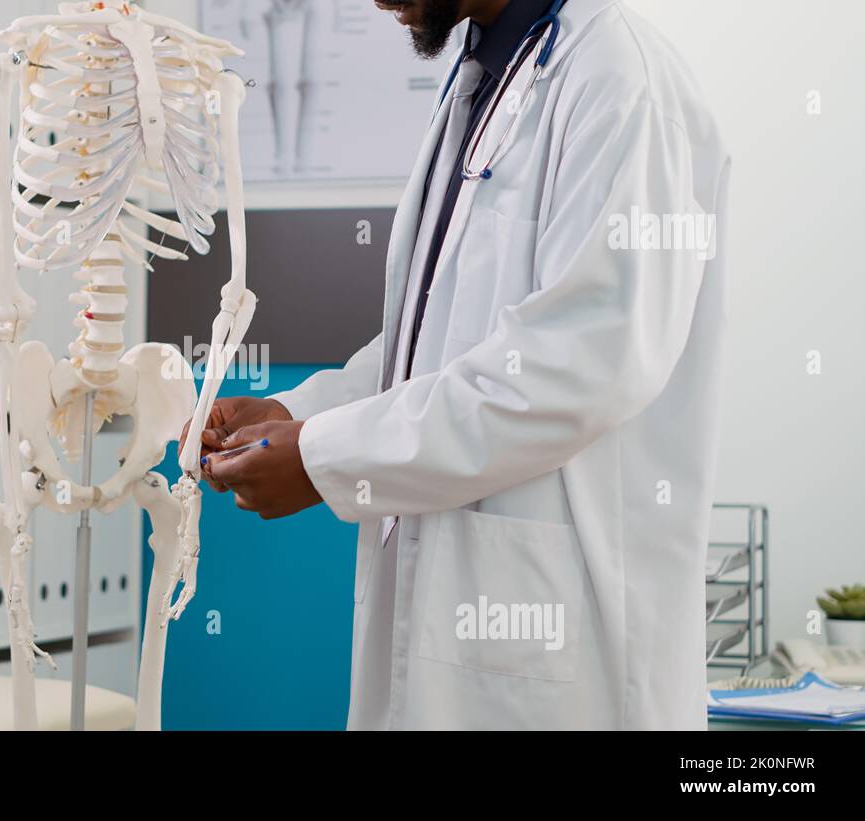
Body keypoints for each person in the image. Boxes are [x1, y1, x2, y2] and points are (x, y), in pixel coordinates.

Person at [186, 0, 729, 729]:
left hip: (566, 667)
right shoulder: (486, 74)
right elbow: (444, 336)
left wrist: (322, 454)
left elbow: (571, 369)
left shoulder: (622, 84)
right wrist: (303, 414)